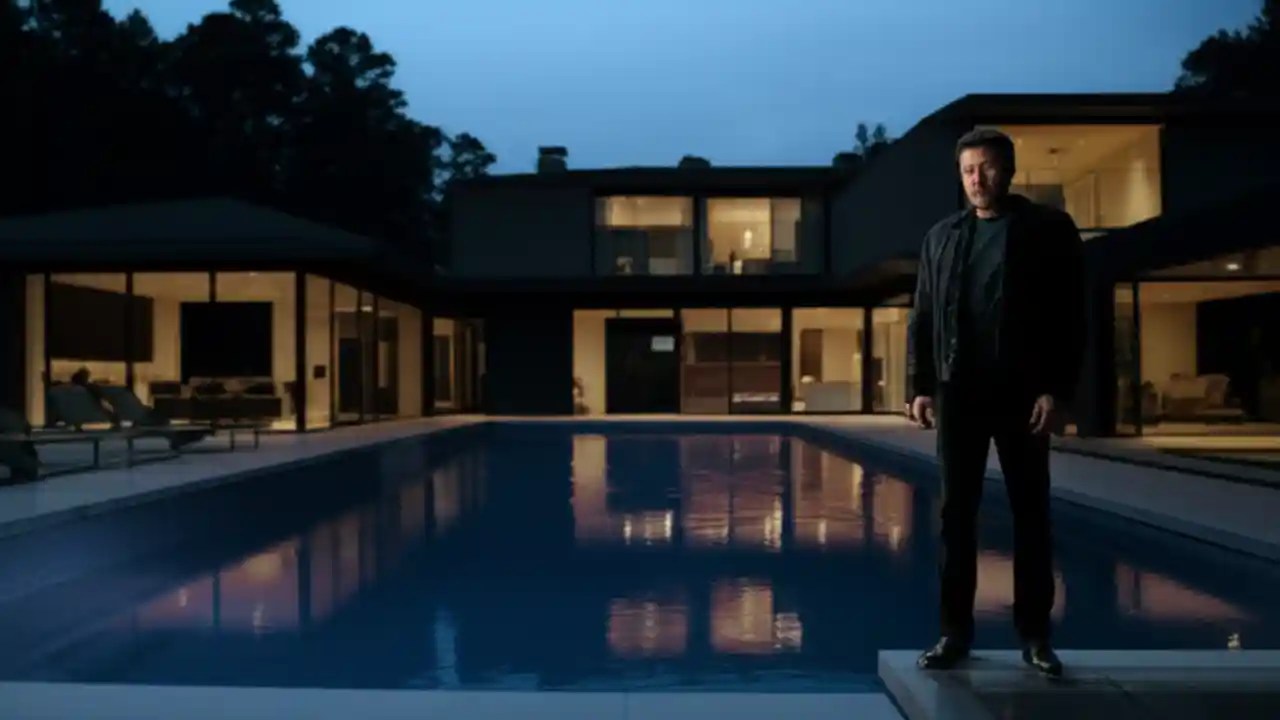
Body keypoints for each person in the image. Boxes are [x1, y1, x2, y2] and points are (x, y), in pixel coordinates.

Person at [906, 128, 1085, 678]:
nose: (976, 180)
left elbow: (1071, 316)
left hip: (1024, 394)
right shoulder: (941, 237)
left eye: (985, 168)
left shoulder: (1048, 230)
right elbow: (923, 315)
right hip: (961, 393)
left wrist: (1059, 389)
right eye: (967, 171)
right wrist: (920, 383)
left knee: (1032, 515)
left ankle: (1035, 637)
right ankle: (954, 632)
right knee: (955, 517)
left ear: (1007, 170)